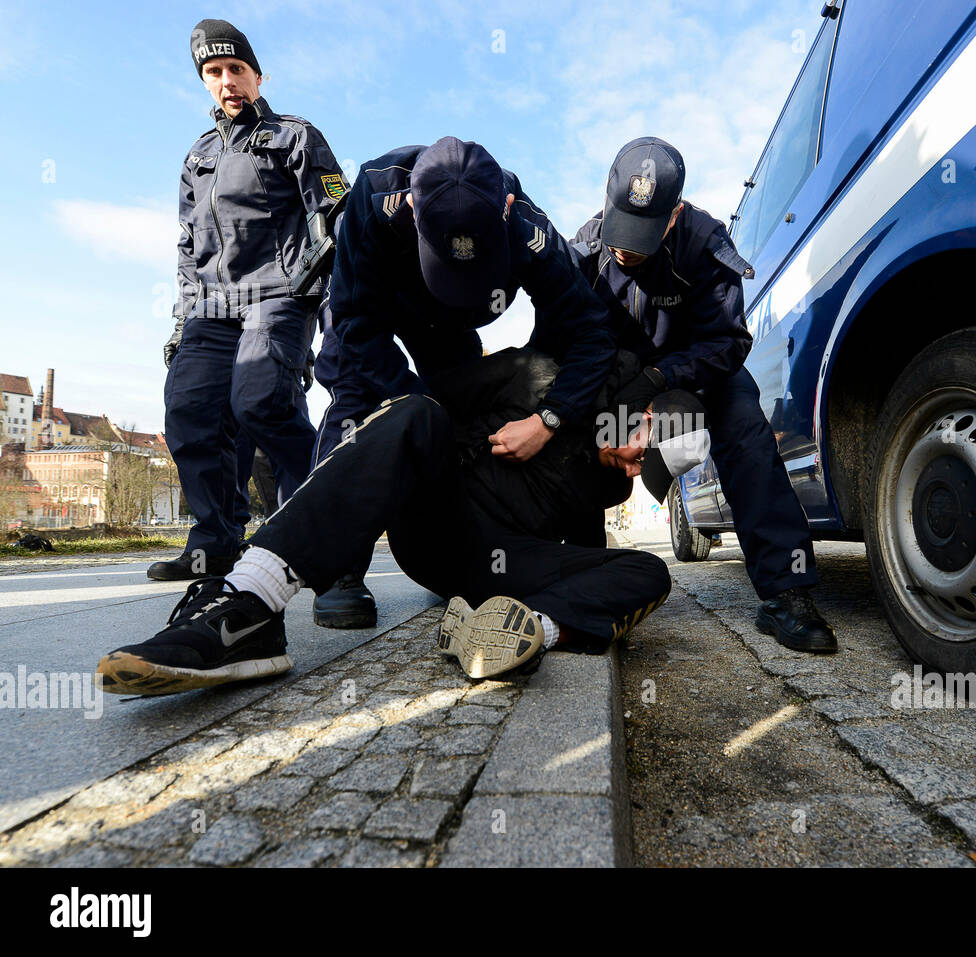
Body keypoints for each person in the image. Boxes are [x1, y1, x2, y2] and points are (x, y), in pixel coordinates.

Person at [94, 348, 703, 693]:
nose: (631, 472)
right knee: (418, 414)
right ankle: (250, 602)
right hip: (439, 522)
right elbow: (427, 394)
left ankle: (515, 633)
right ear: (640, 413)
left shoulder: (605, 483)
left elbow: (585, 561)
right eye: (639, 455)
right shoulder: (543, 375)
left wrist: (572, 600)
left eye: (643, 473)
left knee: (648, 573)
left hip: (499, 572)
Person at [307, 136, 618, 629]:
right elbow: (353, 321)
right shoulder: (373, 199)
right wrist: (410, 401)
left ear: (506, 208)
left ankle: (463, 531)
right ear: (410, 207)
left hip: (449, 327)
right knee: (360, 401)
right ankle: (339, 566)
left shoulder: (529, 229)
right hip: (377, 303)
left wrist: (548, 416)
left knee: (471, 399)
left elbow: (589, 332)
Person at [546, 136, 837, 653]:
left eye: (643, 236)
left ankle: (786, 592)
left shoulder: (705, 243)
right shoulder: (585, 251)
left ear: (675, 215)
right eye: (620, 228)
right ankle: (583, 571)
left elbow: (727, 342)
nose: (624, 248)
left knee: (746, 428)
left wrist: (661, 383)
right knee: (573, 433)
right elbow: (563, 345)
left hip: (695, 373)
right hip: (610, 373)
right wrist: (598, 414)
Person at [151, 19, 345, 583]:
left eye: (237, 69)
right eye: (215, 72)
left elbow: (334, 217)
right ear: (205, 82)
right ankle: (215, 540)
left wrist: (331, 302)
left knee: (260, 402)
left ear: (258, 76)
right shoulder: (198, 156)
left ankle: (312, 527)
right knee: (189, 411)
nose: (227, 80)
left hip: (278, 292)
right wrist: (183, 316)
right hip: (212, 303)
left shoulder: (295, 136)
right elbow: (188, 243)